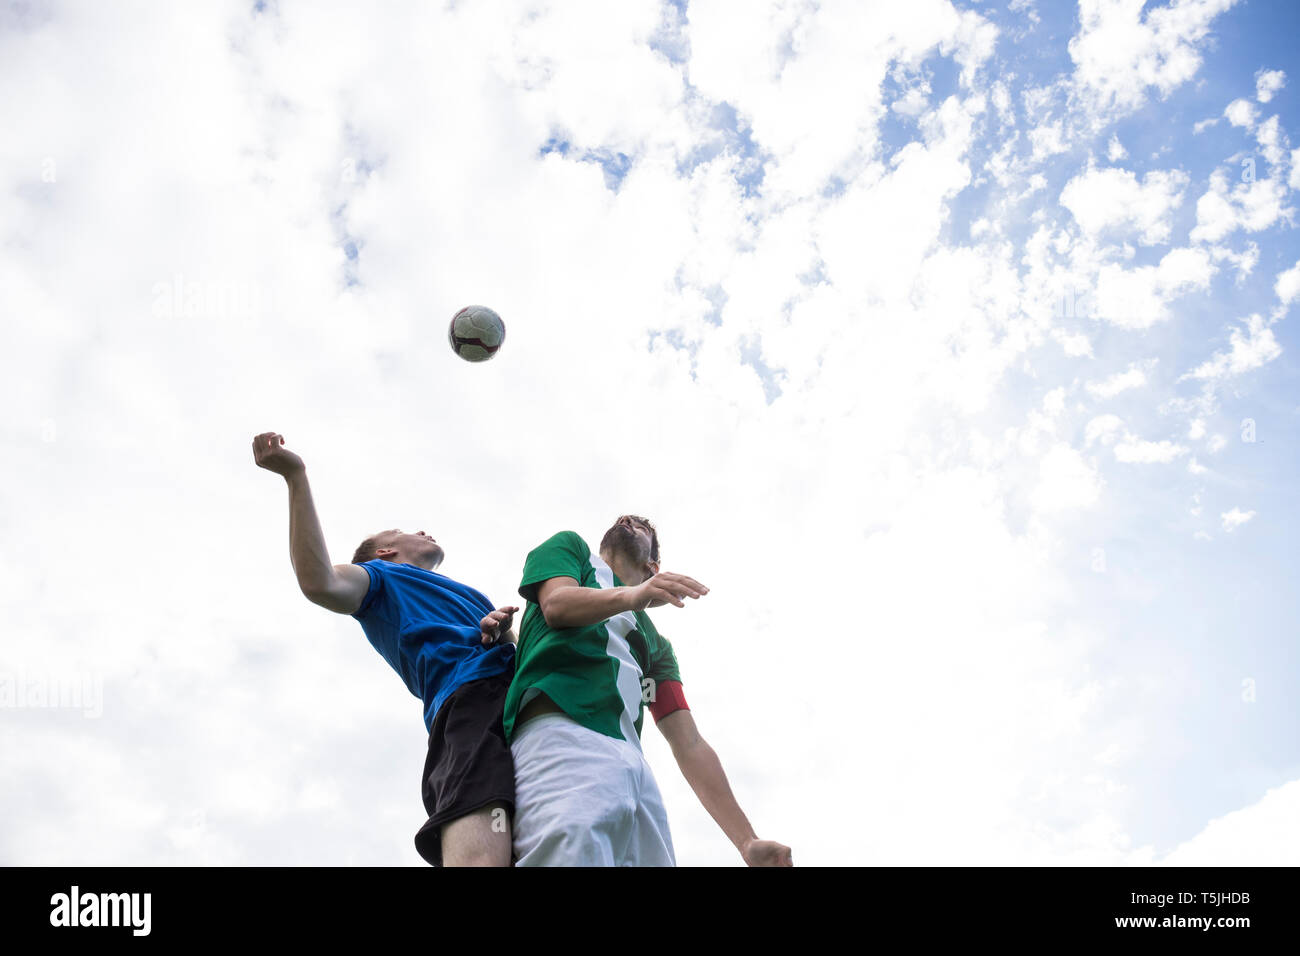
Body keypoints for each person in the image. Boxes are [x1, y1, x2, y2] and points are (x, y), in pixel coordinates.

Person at [252, 431, 519, 867]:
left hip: (521, 701)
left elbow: (502, 648)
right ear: (386, 549)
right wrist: (295, 477)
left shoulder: (469, 593)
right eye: (404, 530)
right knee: (482, 849)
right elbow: (319, 581)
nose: (422, 529)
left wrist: (498, 633)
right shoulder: (380, 577)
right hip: (470, 704)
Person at [504, 515, 793, 866]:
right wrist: (633, 595)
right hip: (562, 736)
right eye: (624, 520)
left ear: (653, 567)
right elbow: (557, 605)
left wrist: (746, 840)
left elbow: (688, 743)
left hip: (634, 768)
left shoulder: (656, 647)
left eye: (642, 528)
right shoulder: (571, 549)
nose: (626, 520)